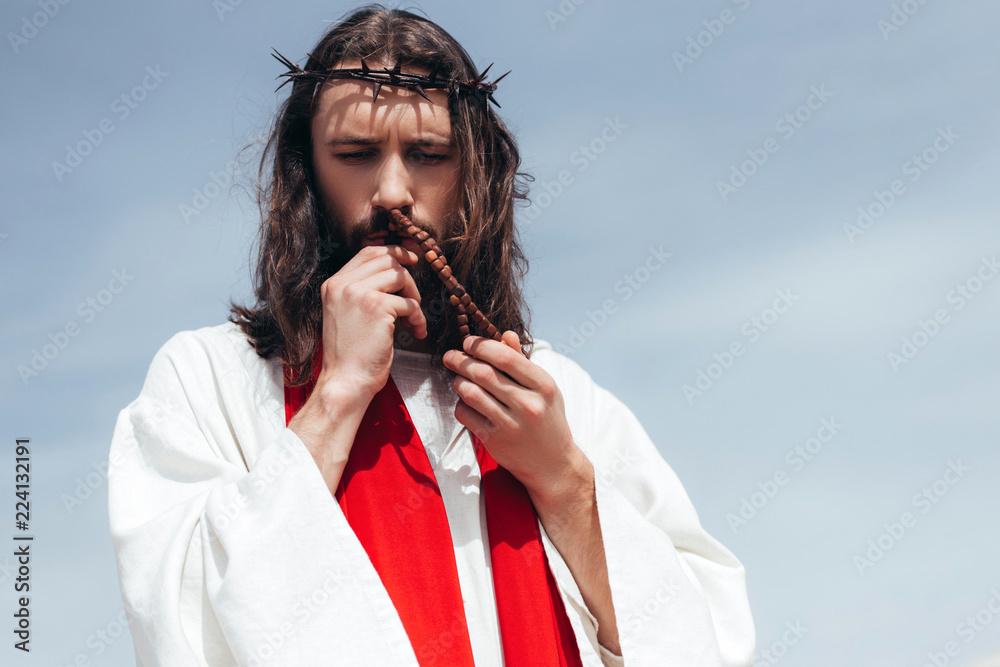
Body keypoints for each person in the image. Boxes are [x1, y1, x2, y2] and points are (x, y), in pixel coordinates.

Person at [107, 5, 755, 666]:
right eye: (355, 154)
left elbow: (710, 640)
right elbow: (178, 620)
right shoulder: (210, 377)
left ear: (474, 172)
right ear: (307, 172)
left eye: (428, 155)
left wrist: (563, 480)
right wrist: (336, 397)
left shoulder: (560, 400)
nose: (393, 191)